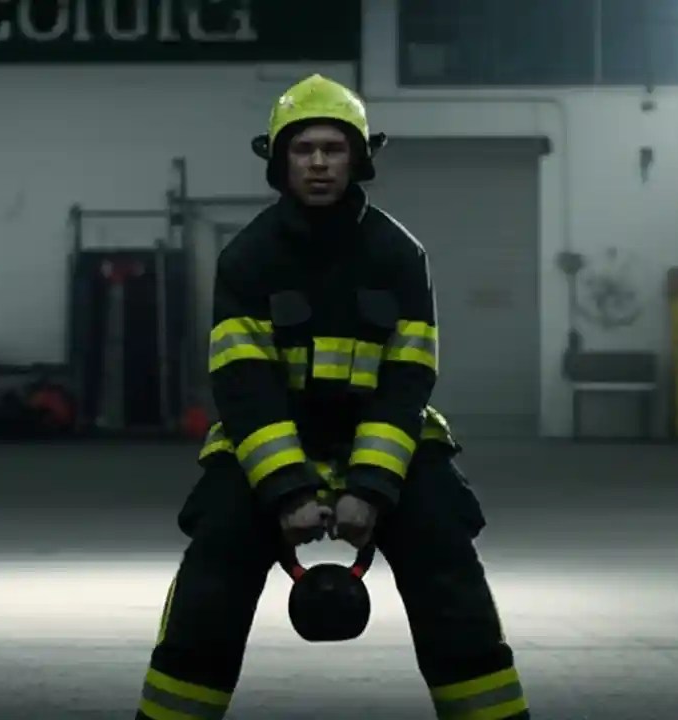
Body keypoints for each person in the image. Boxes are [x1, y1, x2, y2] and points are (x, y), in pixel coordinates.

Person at [134, 74, 530, 720]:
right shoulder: (248, 257)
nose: (318, 162)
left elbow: (409, 377)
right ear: (281, 161)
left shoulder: (400, 255)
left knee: (448, 568)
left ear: (359, 158)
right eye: (303, 149)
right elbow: (244, 384)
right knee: (213, 575)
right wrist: (287, 489)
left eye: (333, 148)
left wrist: (370, 487)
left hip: (383, 445)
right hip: (270, 448)